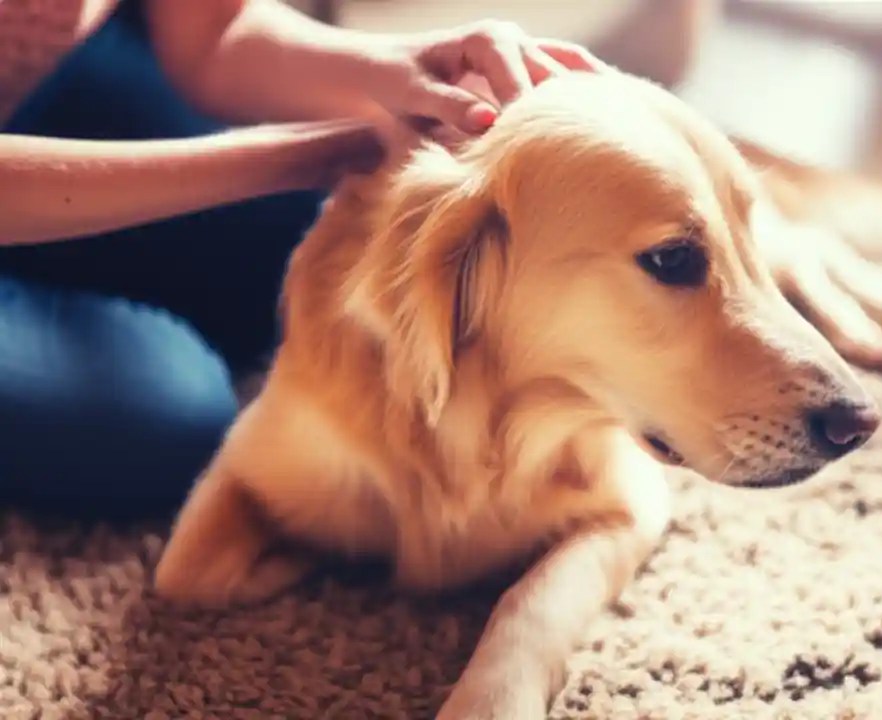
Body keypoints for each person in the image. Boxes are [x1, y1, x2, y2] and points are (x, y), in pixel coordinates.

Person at [0, 0, 607, 513]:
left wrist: (401, 66)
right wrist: (300, 154)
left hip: (51, 78)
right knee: (168, 417)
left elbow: (214, 36)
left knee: (326, 246)